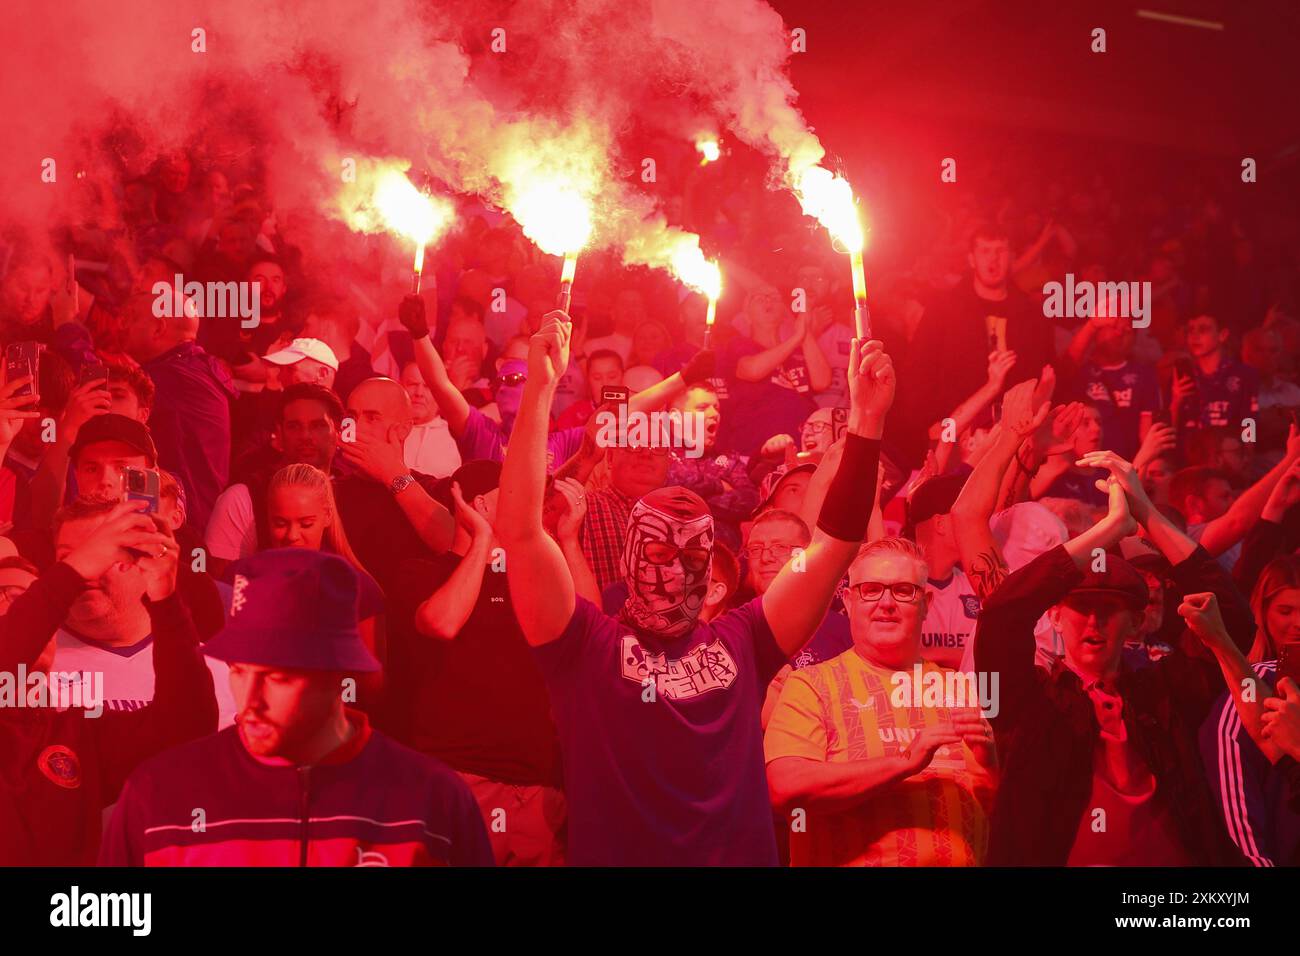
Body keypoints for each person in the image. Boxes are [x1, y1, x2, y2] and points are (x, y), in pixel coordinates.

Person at [497, 309, 895, 865]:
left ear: (712, 575)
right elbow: (518, 531)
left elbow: (833, 546)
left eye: (693, 557)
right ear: (631, 559)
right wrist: (541, 388)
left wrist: (868, 419)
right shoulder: (583, 646)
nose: (676, 572)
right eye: (659, 553)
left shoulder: (744, 639)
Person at [100, 549, 494, 866]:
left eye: (277, 677)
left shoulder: (434, 801)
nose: (249, 702)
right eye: (238, 670)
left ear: (338, 673)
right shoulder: (157, 795)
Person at [974, 447, 1254, 865]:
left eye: (1108, 612)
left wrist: (1147, 514)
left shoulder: (1163, 694)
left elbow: (1233, 622)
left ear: (1137, 623)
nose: (1092, 623)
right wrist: (1109, 530)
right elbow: (1002, 615)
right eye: (1080, 609)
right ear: (1052, 614)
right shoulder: (1026, 701)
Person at [1, 500, 218, 865]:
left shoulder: (75, 732)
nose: (11, 607)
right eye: (2, 599)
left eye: (24, 597)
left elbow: (185, 731)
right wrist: (80, 564)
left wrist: (164, 598)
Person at [765, 537, 997, 866]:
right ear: (848, 600)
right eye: (871, 589)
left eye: (904, 590)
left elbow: (1008, 812)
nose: (886, 603)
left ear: (927, 601)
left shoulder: (964, 689)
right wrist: (903, 763)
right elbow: (786, 788)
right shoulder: (812, 685)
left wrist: (993, 766)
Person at [397, 460, 563, 866]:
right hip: (463, 780)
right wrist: (483, 541)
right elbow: (442, 622)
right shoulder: (420, 574)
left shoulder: (531, 583)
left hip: (540, 791)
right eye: (514, 497)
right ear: (475, 505)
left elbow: (583, 631)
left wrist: (568, 541)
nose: (530, 508)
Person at [49, 495, 236, 725]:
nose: (85, 569)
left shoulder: (209, 668)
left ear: (145, 558)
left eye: (101, 553)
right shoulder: (28, 663)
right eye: (68, 558)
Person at [895, 224, 1053, 464]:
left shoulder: (1031, 315)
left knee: (1008, 499)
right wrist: (929, 422)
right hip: (954, 431)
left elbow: (1045, 371)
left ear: (1011, 257)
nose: (993, 259)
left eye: (1000, 251)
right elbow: (919, 368)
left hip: (1014, 436)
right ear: (972, 259)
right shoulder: (944, 308)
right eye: (985, 251)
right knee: (950, 493)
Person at [1198, 555, 1300, 865]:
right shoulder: (1240, 698)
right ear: (1263, 611)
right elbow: (1238, 819)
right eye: (1286, 610)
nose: (1298, 622)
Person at [119, 291, 236, 531]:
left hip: (180, 528)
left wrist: (68, 324)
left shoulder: (174, 380)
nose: (124, 325)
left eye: (133, 317)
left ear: (158, 328)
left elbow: (106, 407)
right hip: (191, 520)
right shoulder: (192, 371)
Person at [207, 383, 346, 574]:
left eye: (318, 425)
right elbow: (220, 588)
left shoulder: (355, 495)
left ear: (338, 432)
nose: (305, 436)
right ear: (279, 434)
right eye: (294, 426)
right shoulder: (243, 497)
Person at [334, 376, 456, 591]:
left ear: (403, 429)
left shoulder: (432, 490)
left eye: (372, 418)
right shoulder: (330, 493)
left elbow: (450, 544)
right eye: (351, 417)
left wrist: (392, 474)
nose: (357, 429)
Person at [1171, 313, 1259, 437]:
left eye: (1203, 329)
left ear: (1222, 335)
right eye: (1190, 330)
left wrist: (1245, 453)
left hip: (1231, 453)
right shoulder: (1182, 376)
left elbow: (1250, 422)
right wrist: (1176, 403)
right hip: (1189, 453)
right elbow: (1168, 436)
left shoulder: (1244, 375)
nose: (1194, 336)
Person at [399, 360, 460, 478]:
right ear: (399, 386)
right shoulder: (384, 431)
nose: (419, 393)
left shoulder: (456, 437)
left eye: (428, 386)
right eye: (412, 384)